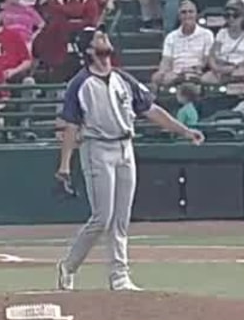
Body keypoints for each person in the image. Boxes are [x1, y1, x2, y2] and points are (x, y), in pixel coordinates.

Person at [55, 27, 204, 292]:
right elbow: (70, 126)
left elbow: (150, 109)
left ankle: (119, 275)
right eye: (99, 39)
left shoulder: (122, 78)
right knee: (102, 216)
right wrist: (65, 164)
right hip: (97, 147)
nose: (106, 40)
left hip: (125, 145)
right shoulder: (80, 83)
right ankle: (69, 265)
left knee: (121, 217)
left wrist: (183, 130)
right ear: (89, 50)